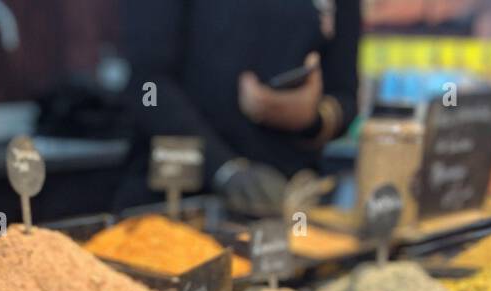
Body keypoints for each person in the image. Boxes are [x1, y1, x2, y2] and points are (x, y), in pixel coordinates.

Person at [116, 0, 361, 215]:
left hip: (287, 207)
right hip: (176, 202)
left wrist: (311, 119)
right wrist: (224, 169)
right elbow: (147, 84)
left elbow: (346, 96)